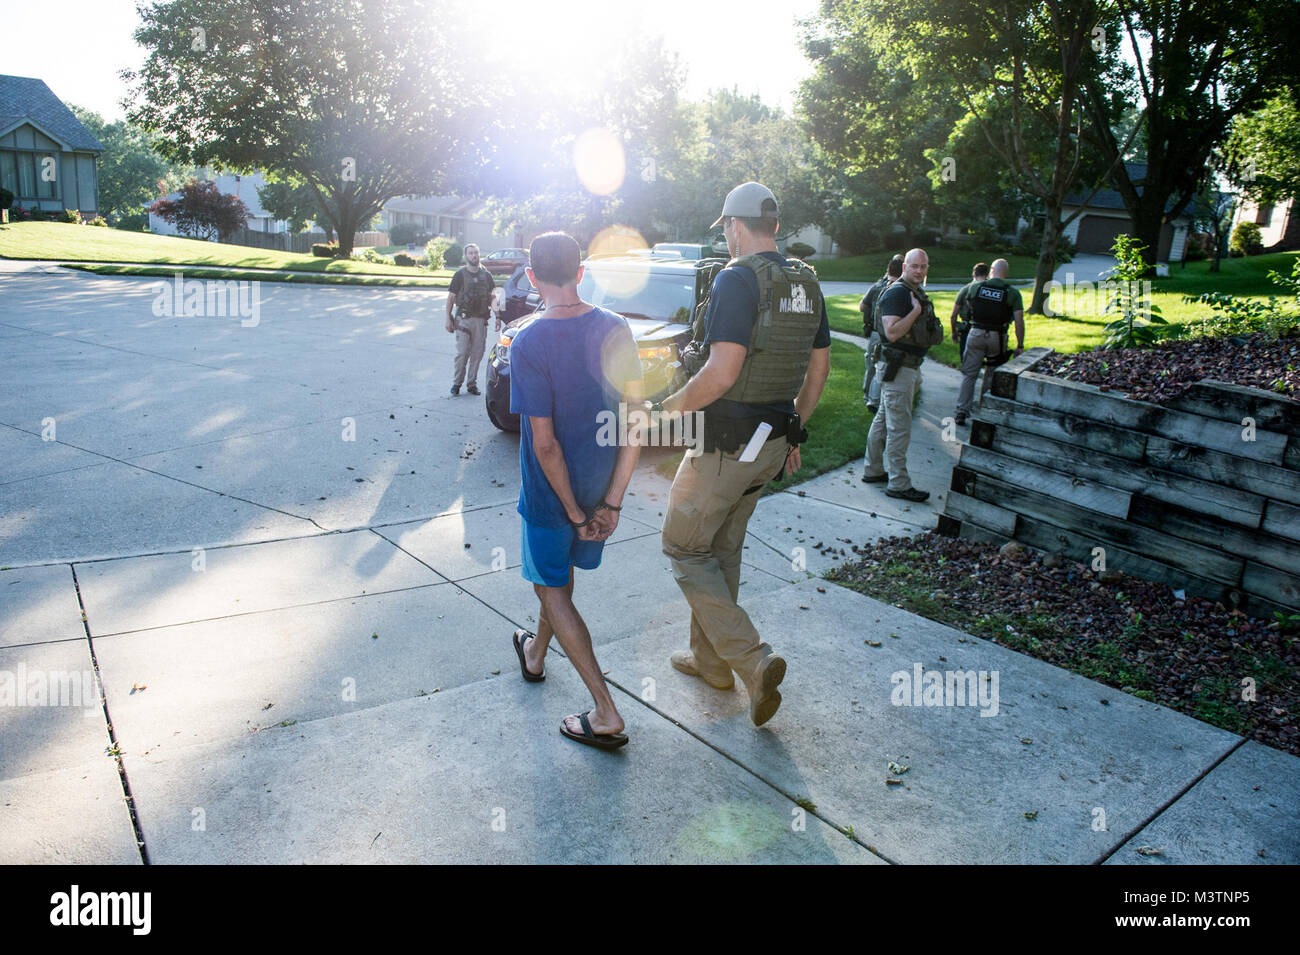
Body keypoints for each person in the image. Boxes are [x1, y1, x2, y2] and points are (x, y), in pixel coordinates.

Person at [657, 182, 831, 727]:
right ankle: (711, 662)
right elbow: (818, 370)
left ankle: (753, 663)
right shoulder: (806, 281)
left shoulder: (737, 279)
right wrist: (795, 431)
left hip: (726, 440)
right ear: (774, 225)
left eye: (725, 227)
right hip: (771, 442)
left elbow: (722, 372)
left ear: (734, 225)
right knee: (722, 547)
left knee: (684, 547)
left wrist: (666, 409)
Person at [508, 232, 644, 752]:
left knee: (551, 589)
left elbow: (544, 445)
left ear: (533, 275)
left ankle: (606, 711)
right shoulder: (617, 328)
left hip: (552, 498)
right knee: (556, 577)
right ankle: (536, 655)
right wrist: (611, 501)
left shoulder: (528, 341)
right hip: (598, 487)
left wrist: (569, 510)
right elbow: (637, 421)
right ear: (581, 271)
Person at [860, 248, 943, 502]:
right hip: (899, 369)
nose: (919, 271)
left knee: (884, 420)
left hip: (903, 368)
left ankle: (873, 470)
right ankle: (898, 483)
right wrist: (915, 312)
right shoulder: (898, 293)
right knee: (899, 427)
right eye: (914, 266)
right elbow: (892, 331)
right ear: (904, 266)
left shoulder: (912, 292)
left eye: (923, 266)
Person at [954, 258, 1025, 425]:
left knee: (969, 375)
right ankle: (984, 413)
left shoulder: (974, 288)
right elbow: (1019, 321)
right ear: (1006, 272)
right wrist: (1020, 344)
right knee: (991, 374)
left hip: (975, 333)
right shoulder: (1012, 293)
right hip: (997, 337)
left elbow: (967, 309)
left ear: (992, 270)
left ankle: (961, 411)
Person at [445, 243, 501, 396]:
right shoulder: (459, 275)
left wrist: (498, 316)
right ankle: (457, 383)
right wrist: (448, 318)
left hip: (481, 320)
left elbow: (493, 296)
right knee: (462, 353)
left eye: (476, 253)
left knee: (477, 354)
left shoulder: (487, 275)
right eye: (471, 253)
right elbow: (451, 298)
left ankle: (471, 384)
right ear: (466, 256)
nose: (474, 256)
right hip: (463, 320)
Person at [861, 254, 905, 412]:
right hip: (888, 336)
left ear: (888, 270)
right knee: (883, 367)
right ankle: (874, 401)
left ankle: (867, 396)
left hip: (874, 333)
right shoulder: (900, 291)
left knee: (871, 366)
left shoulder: (877, 286)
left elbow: (862, 306)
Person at [950, 261, 991, 361]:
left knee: (966, 361)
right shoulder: (991, 290)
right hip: (988, 331)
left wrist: (954, 332)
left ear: (974, 274)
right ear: (987, 275)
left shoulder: (965, 289)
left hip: (967, 329)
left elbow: (953, 315)